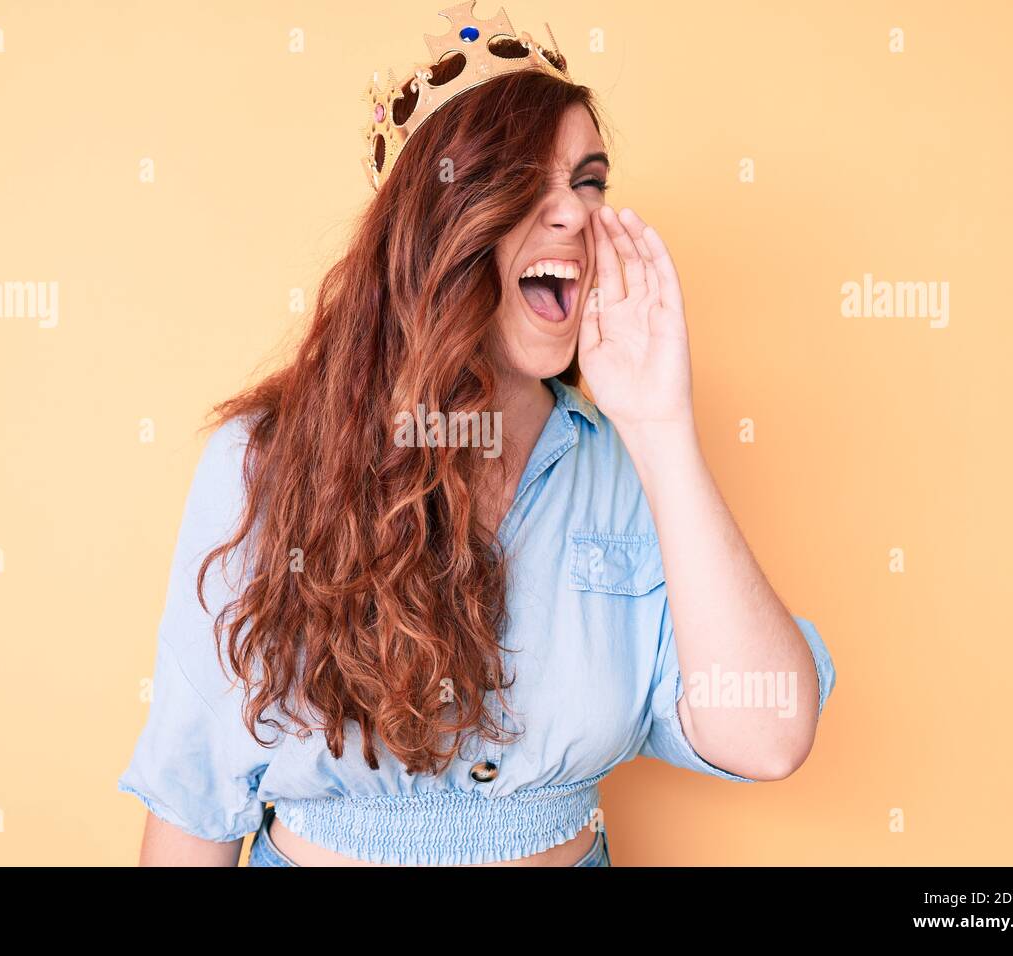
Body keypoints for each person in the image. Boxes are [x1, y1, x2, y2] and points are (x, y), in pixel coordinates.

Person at [118, 3, 837, 867]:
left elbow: (767, 736)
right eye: (526, 180)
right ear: (437, 223)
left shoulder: (623, 462)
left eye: (588, 180)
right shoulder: (262, 463)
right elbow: (193, 803)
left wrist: (663, 426)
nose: (574, 213)